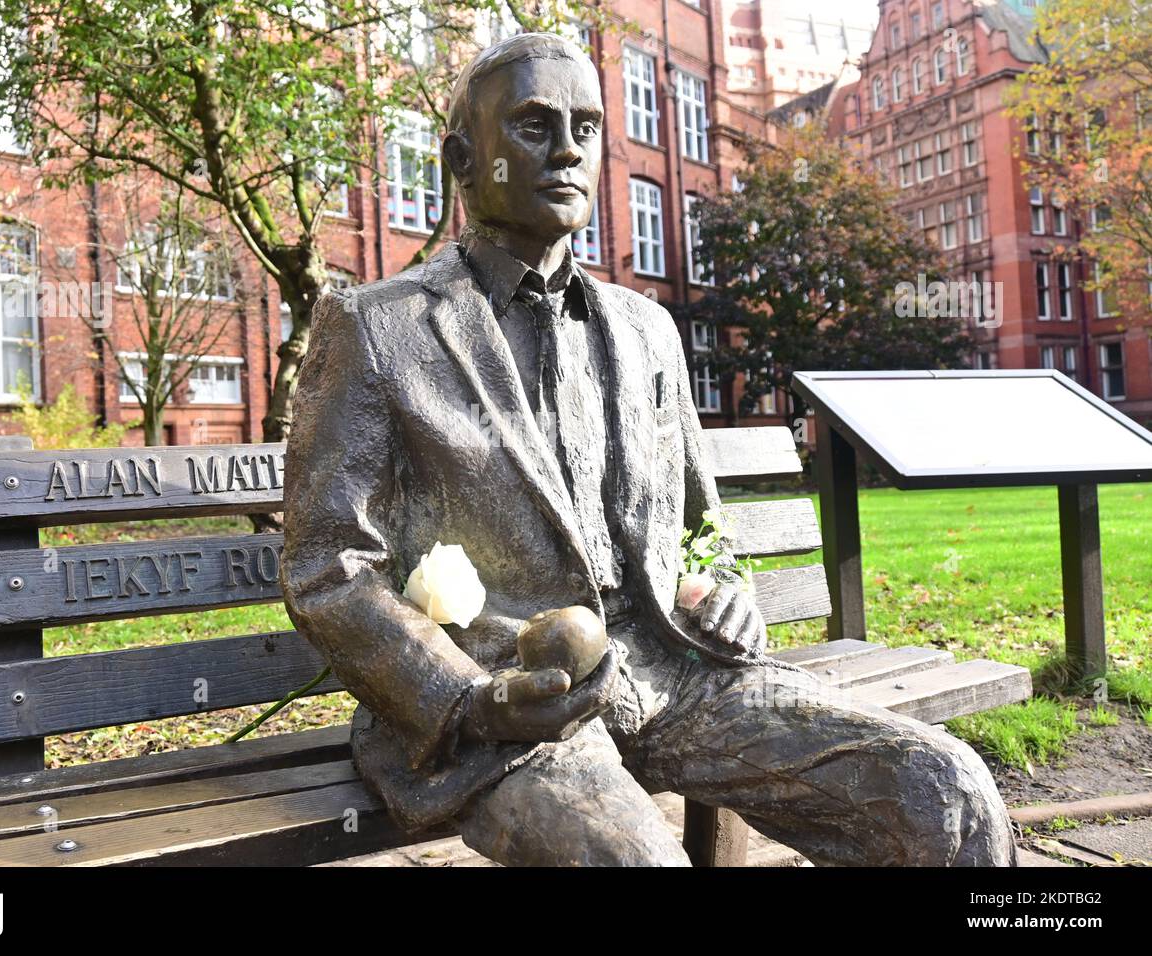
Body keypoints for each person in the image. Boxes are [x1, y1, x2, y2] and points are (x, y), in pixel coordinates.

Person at [280, 32, 1016, 866]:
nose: (567, 149)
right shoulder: (378, 328)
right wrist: (472, 701)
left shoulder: (647, 330)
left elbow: (700, 528)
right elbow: (329, 568)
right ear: (461, 158)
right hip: (501, 715)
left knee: (945, 791)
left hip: (674, 674)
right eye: (533, 126)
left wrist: (726, 591)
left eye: (587, 128)